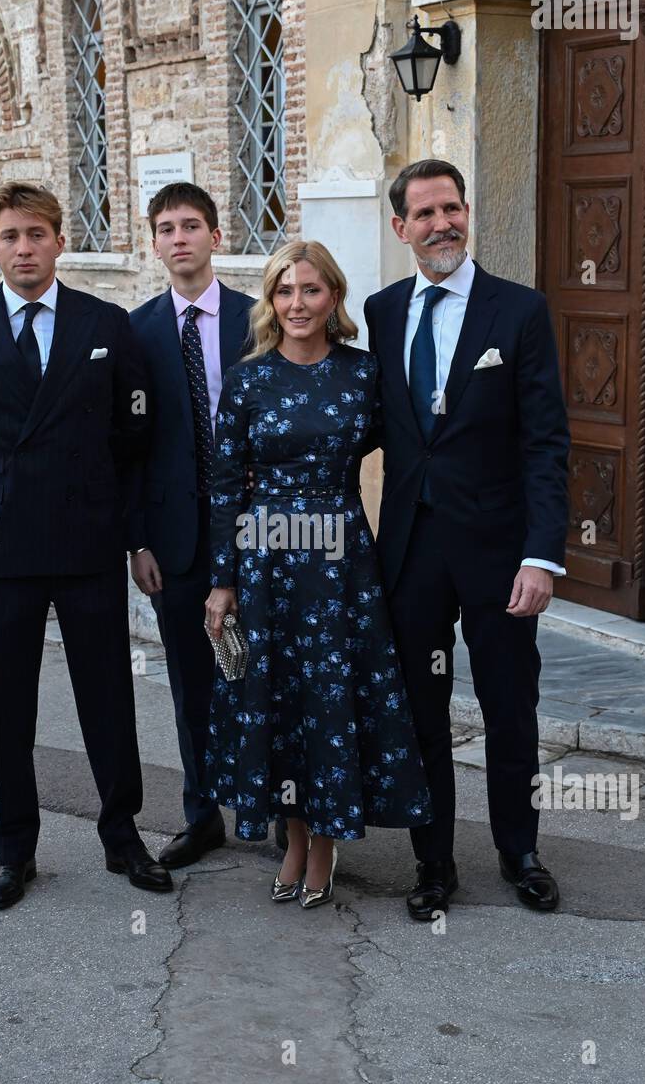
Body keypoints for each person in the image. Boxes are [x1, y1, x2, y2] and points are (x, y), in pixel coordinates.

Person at [0, 181, 171, 909]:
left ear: (60, 241)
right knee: (7, 704)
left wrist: (109, 513)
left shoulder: (105, 323)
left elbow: (134, 430)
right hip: (2, 544)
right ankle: (14, 848)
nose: (24, 249)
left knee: (108, 696)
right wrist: (1, 485)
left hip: (87, 538)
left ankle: (123, 836)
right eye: (10, 237)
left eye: (36, 235)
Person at [364, 158, 570, 920]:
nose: (442, 223)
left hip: (500, 554)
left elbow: (546, 443)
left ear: (466, 211)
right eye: (424, 213)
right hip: (412, 552)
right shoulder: (383, 313)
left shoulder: (518, 312)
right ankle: (434, 862)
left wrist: (542, 554)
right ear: (401, 228)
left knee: (509, 706)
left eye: (451, 207)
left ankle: (521, 851)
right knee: (421, 711)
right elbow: (368, 425)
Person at [204, 240, 434, 908]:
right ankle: (294, 838)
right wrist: (223, 581)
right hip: (264, 555)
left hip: (339, 562)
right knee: (277, 700)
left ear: (333, 296)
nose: (296, 302)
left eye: (310, 289)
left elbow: (413, 453)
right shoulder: (246, 379)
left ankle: (324, 846)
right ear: (270, 302)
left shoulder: (364, 375)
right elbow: (222, 484)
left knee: (329, 700)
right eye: (284, 290)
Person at [127, 182, 258, 870]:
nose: (180, 237)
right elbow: (128, 446)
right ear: (154, 242)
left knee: (262, 673)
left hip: (256, 531)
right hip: (174, 541)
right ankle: (202, 813)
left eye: (192, 225)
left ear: (215, 235)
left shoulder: (258, 317)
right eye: (167, 227)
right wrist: (137, 540)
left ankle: (269, 809)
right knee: (193, 682)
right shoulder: (137, 331)